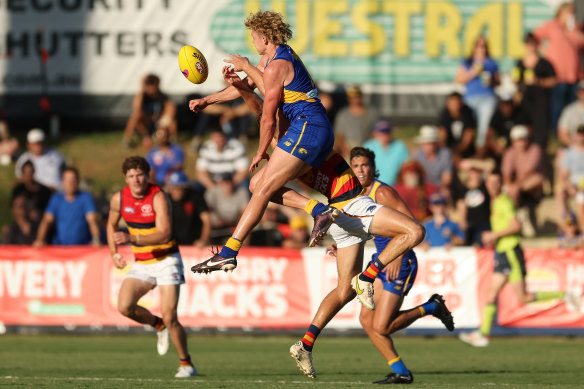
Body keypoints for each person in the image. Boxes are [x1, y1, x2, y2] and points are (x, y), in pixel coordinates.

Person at [211, 75, 434, 381]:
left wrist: (241, 90)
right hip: (352, 205)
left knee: (344, 289)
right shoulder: (305, 140)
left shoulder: (286, 153)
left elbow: (263, 112)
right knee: (415, 233)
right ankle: (368, 277)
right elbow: (269, 111)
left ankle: (305, 344)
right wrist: (249, 77)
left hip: (337, 215)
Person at [189, 10, 337, 271]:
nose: (252, 42)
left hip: (308, 128)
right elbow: (244, 86)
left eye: (254, 36)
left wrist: (260, 152)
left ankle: (228, 251)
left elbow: (267, 116)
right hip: (315, 130)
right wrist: (206, 100)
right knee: (257, 185)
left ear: (265, 37)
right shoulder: (272, 61)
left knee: (264, 186)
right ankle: (317, 210)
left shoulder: (277, 65)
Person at [340, 147, 453, 384]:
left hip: (398, 262)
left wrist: (399, 256)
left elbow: (410, 225)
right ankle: (401, 371)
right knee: (366, 321)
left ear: (373, 166)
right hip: (380, 262)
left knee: (381, 327)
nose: (361, 170)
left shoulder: (382, 193)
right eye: (356, 165)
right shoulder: (356, 193)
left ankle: (431, 307)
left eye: (365, 165)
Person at [459, 172, 580, 347]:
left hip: (510, 252)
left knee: (523, 297)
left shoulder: (504, 202)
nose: (493, 185)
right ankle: (483, 334)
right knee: (492, 293)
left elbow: (516, 225)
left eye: (496, 182)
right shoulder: (494, 202)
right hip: (502, 252)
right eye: (490, 182)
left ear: (500, 184)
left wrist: (494, 234)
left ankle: (565, 294)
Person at [106, 156, 196, 377]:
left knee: (170, 315)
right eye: (131, 176)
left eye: (139, 175)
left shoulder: (158, 197)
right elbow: (110, 224)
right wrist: (114, 253)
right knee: (124, 307)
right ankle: (158, 326)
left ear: (147, 176)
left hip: (167, 260)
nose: (136, 180)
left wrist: (132, 240)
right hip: (143, 263)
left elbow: (164, 233)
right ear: (125, 178)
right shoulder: (119, 198)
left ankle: (186, 364)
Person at [533, 2, 584, 133]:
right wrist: (542, 50)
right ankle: (556, 136)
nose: (572, 15)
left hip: (575, 76)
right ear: (561, 13)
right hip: (558, 76)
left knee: (574, 109)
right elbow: (534, 36)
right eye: (569, 12)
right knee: (557, 108)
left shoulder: (577, 28)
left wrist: (576, 32)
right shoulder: (552, 25)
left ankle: (573, 135)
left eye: (573, 12)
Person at [33, 167, 101, 247]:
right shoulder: (56, 199)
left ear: (78, 181)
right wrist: (39, 240)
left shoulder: (85, 198)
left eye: (73, 180)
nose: (70, 183)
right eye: (67, 180)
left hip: (82, 249)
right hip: (60, 249)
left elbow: (92, 221)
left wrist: (96, 239)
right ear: (62, 182)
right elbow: (46, 221)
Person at [512, 32, 556, 151]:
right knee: (524, 129)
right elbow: (516, 81)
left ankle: (539, 156)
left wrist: (539, 81)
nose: (530, 46)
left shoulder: (544, 63)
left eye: (533, 43)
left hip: (540, 101)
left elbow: (553, 80)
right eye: (528, 43)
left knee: (540, 131)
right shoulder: (520, 62)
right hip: (525, 101)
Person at [455, 35, 500, 148]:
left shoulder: (491, 63)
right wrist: (473, 72)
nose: (481, 48)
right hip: (470, 99)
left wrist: (492, 81)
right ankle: (466, 148)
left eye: (484, 46)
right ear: (474, 47)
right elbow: (459, 80)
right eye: (479, 45)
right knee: (469, 126)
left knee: (483, 128)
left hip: (487, 98)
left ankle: (480, 149)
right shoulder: (468, 62)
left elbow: (499, 81)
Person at [501, 125, 544, 237]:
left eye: (523, 138)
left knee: (537, 179)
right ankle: (519, 219)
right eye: (518, 139)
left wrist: (516, 186)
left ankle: (520, 218)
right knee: (508, 188)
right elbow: (506, 174)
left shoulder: (535, 149)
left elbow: (530, 172)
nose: (521, 142)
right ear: (513, 141)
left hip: (532, 187)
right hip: (518, 188)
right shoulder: (509, 152)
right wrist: (510, 186)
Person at [122, 74, 177, 148]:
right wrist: (142, 89)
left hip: (159, 124)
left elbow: (171, 110)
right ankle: (128, 139)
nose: (151, 88)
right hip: (145, 125)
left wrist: (164, 120)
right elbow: (136, 108)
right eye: (148, 84)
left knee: (171, 120)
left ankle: (171, 140)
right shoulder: (142, 96)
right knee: (135, 115)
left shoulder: (163, 97)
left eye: (152, 84)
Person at [165, 171, 211, 248]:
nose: (176, 192)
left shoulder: (195, 197)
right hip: (172, 245)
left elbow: (207, 220)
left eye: (179, 188)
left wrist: (203, 240)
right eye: (173, 188)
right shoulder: (165, 199)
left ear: (185, 188)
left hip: (194, 245)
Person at [333, 86, 379, 158]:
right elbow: (339, 136)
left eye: (358, 96)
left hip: (367, 147)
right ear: (348, 98)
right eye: (353, 97)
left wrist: (368, 146)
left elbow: (376, 132)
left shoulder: (371, 112)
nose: (355, 99)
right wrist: (347, 151)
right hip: (348, 149)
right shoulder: (343, 114)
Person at [362, 119, 410, 186]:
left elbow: (407, 167)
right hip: (372, 187)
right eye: (381, 132)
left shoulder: (400, 146)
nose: (384, 135)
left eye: (387, 132)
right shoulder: (368, 146)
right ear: (375, 133)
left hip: (395, 187)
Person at [453, 166, 491, 247]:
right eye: (473, 172)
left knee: (486, 248)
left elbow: (490, 167)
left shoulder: (485, 187)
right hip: (470, 225)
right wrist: (462, 221)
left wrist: (471, 163)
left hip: (484, 224)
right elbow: (461, 206)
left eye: (478, 172)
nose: (476, 174)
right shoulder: (463, 190)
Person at [437, 91, 476, 167]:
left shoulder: (468, 114)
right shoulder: (444, 115)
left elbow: (468, 138)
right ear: (447, 104)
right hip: (449, 151)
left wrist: (456, 152)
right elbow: (442, 136)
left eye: (456, 103)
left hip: (466, 152)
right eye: (452, 103)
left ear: (461, 103)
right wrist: (447, 151)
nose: (454, 106)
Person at [412, 125, 453, 198]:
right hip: (423, 189)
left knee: (445, 193)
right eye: (425, 143)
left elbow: (447, 179)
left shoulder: (445, 154)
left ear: (436, 144)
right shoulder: (417, 155)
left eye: (429, 143)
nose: (427, 146)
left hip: (439, 189)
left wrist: (434, 189)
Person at [557, 125, 584, 232]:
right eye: (579, 133)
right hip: (575, 186)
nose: (582, 136)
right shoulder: (569, 153)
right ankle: (567, 227)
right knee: (560, 193)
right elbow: (563, 176)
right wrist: (570, 187)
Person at [146, 122, 184, 186]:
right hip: (156, 183)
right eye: (160, 135)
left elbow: (179, 167)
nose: (163, 137)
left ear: (168, 135)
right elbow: (150, 172)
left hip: (173, 183)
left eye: (165, 135)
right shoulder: (152, 153)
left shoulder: (177, 150)